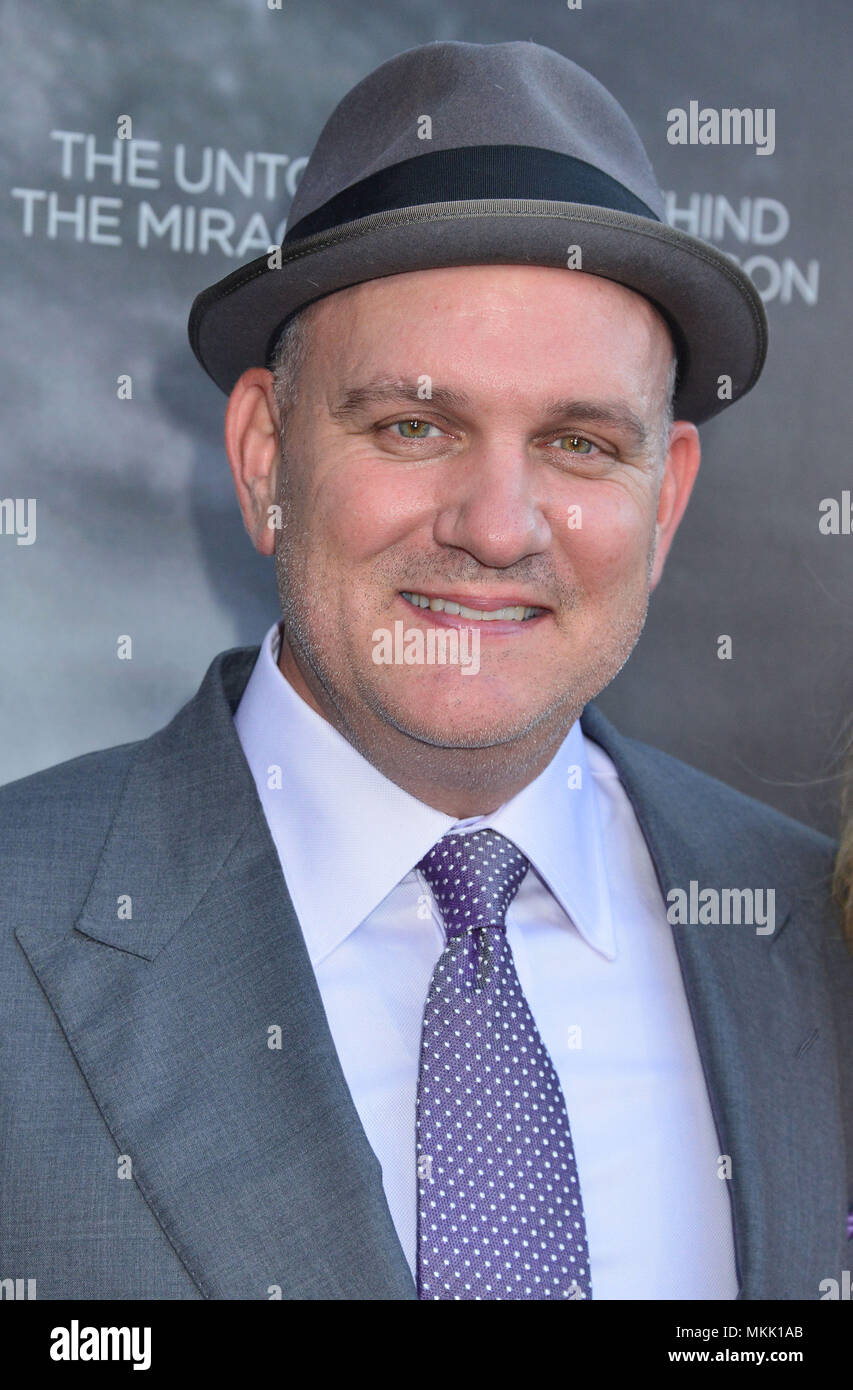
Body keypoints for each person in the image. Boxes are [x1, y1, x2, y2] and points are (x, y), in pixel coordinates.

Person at [1, 39, 850, 1302]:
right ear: (261, 457)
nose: (497, 525)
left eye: (577, 441)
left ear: (663, 501)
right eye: (413, 425)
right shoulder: (24, 919)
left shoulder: (818, 934)